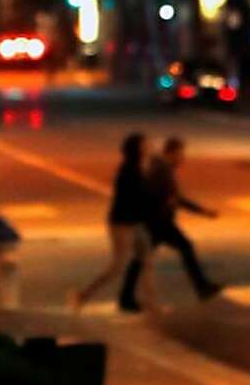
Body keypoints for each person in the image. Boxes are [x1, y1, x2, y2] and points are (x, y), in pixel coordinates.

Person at [125, 132, 219, 304]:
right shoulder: (162, 170)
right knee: (185, 247)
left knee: (142, 257)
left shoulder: (160, 167)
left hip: (156, 220)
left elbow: (172, 197)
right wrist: (202, 211)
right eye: (180, 154)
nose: (183, 158)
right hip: (159, 222)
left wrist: (202, 211)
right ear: (172, 153)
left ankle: (126, 295)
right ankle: (202, 287)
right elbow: (168, 196)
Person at [69, 131, 157, 313]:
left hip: (135, 222)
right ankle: (82, 295)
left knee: (147, 260)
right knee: (118, 265)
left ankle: (152, 303)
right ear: (138, 149)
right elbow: (134, 199)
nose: (150, 146)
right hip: (122, 224)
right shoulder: (129, 171)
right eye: (146, 144)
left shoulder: (139, 167)